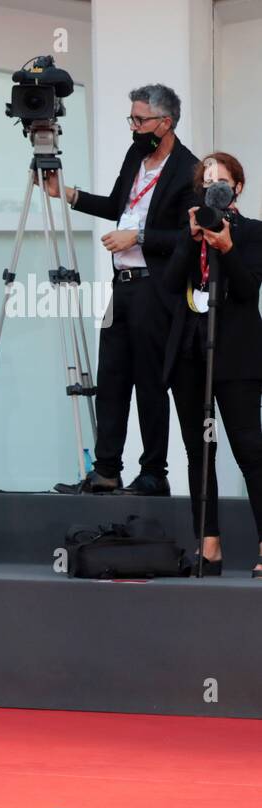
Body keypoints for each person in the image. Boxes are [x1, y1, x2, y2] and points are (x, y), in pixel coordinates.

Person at [46, 83, 198, 496]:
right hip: (122, 286)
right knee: (111, 376)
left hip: (156, 290)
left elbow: (188, 235)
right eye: (131, 118)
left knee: (150, 381)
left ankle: (154, 473)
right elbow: (116, 205)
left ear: (164, 123)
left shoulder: (189, 169)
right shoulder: (137, 154)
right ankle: (106, 469)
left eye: (140, 119)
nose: (133, 127)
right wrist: (69, 194)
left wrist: (139, 238)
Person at [161, 152, 262, 577]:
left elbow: (247, 289)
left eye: (222, 181)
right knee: (198, 451)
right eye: (206, 182)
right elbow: (168, 285)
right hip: (190, 353)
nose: (214, 188)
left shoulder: (253, 232)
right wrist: (191, 239)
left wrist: (228, 247)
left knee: (250, 450)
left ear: (237, 188)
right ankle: (209, 543)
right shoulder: (192, 230)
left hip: (236, 355)